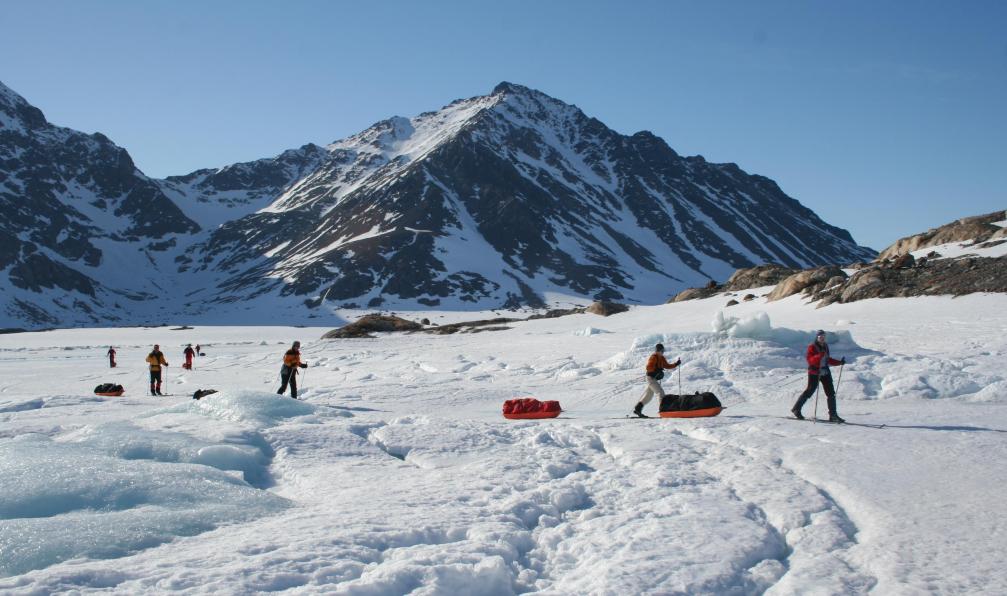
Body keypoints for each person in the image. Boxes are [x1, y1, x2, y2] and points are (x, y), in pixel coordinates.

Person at [791, 330, 846, 423]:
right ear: (817, 338)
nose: (822, 338)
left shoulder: (825, 346)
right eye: (820, 337)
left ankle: (833, 415)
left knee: (831, 393)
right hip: (815, 372)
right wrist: (819, 356)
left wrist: (839, 362)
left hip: (825, 372)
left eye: (823, 336)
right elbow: (810, 360)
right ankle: (796, 409)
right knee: (810, 391)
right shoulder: (812, 347)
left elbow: (827, 359)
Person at [633, 343, 681, 418]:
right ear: (658, 350)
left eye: (663, 351)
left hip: (654, 379)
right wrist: (656, 370)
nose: (662, 352)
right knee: (660, 393)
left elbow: (667, 365)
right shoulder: (654, 357)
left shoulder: (661, 358)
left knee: (649, 395)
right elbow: (648, 367)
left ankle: (638, 408)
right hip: (650, 378)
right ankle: (663, 410)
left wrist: (676, 364)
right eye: (661, 351)